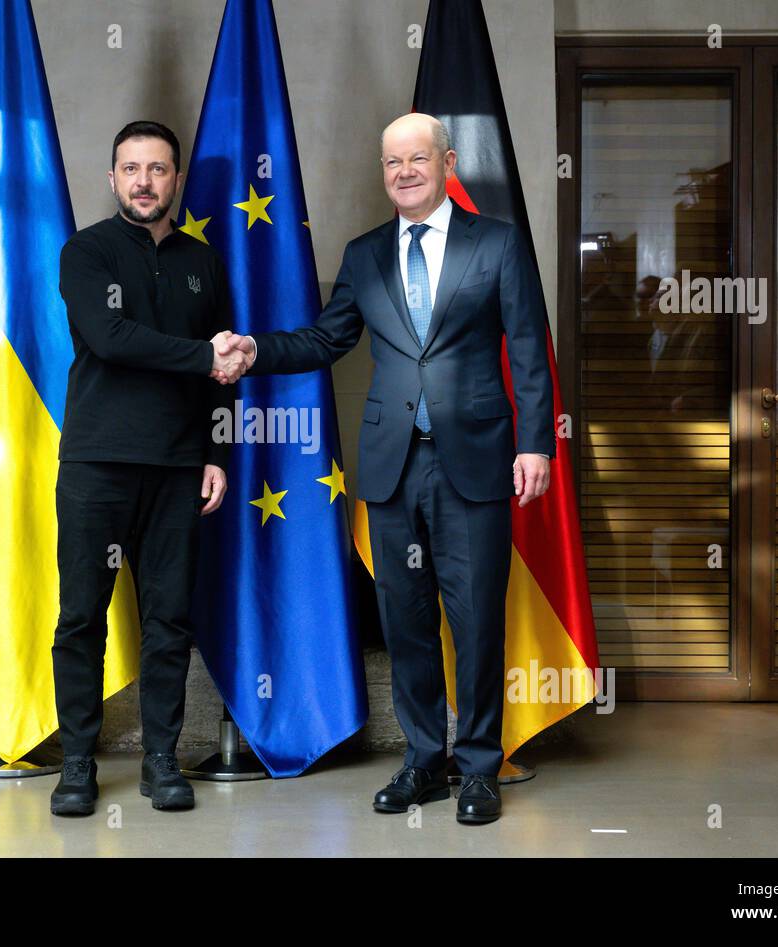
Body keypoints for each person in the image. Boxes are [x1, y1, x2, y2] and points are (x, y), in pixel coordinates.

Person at [215, 113, 554, 825]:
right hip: (392, 466)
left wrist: (535, 444)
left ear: (447, 162)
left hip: (476, 462)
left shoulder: (496, 243)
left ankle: (479, 766)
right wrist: (256, 351)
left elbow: (526, 348)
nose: (404, 171)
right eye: (392, 160)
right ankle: (424, 761)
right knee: (405, 620)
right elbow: (326, 336)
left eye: (417, 158)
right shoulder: (365, 253)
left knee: (476, 618)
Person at [51, 120, 250, 816]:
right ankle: (77, 763)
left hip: (176, 470)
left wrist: (216, 454)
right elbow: (110, 339)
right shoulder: (86, 253)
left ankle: (160, 761)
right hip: (96, 464)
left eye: (158, 169)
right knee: (81, 617)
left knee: (170, 619)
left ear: (175, 179)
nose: (144, 181)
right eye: (131, 168)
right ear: (113, 179)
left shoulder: (205, 262)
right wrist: (202, 355)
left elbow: (225, 373)